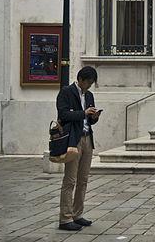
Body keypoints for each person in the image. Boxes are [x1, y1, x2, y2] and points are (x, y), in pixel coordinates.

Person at [56, 66, 101, 231]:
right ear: (80, 79)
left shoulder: (89, 95)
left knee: (83, 180)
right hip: (73, 140)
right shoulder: (66, 92)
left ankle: (77, 214)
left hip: (87, 138)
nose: (89, 86)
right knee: (70, 180)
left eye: (91, 83)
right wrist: (83, 113)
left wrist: (93, 117)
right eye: (87, 82)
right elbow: (63, 115)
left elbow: (89, 120)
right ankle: (65, 218)